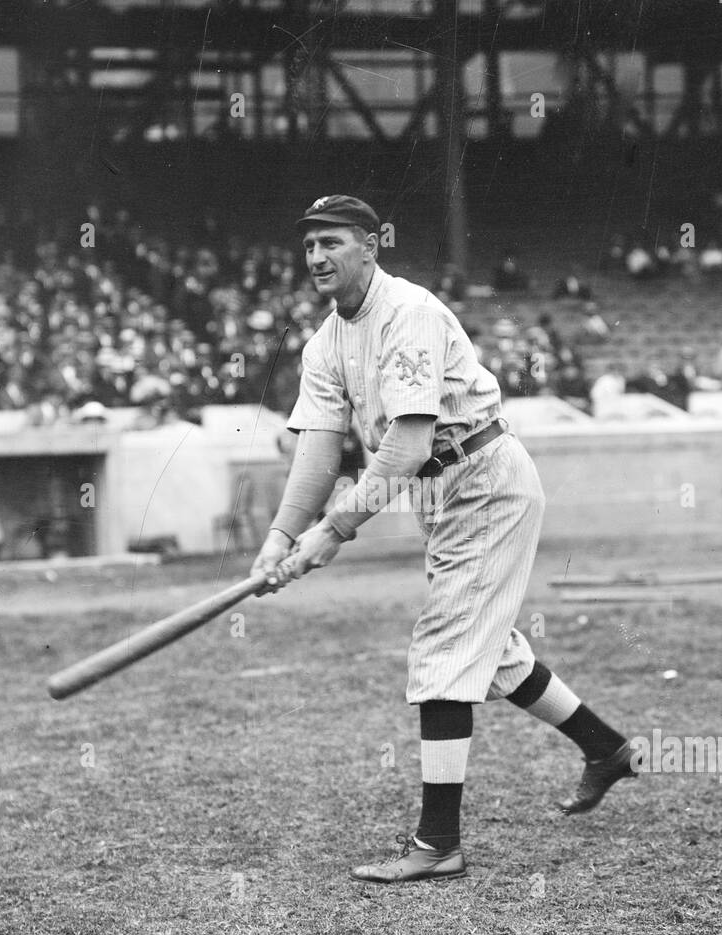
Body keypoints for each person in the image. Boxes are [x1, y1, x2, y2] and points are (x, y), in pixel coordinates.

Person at [250, 195, 637, 884]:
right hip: (442, 493)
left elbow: (405, 445)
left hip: (481, 475)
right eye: (309, 246)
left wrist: (334, 531)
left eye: (332, 243)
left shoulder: (410, 314)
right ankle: (605, 748)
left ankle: (438, 842)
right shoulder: (324, 343)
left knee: (443, 651)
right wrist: (281, 537)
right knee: (486, 652)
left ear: (371, 245)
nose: (316, 258)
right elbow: (316, 448)